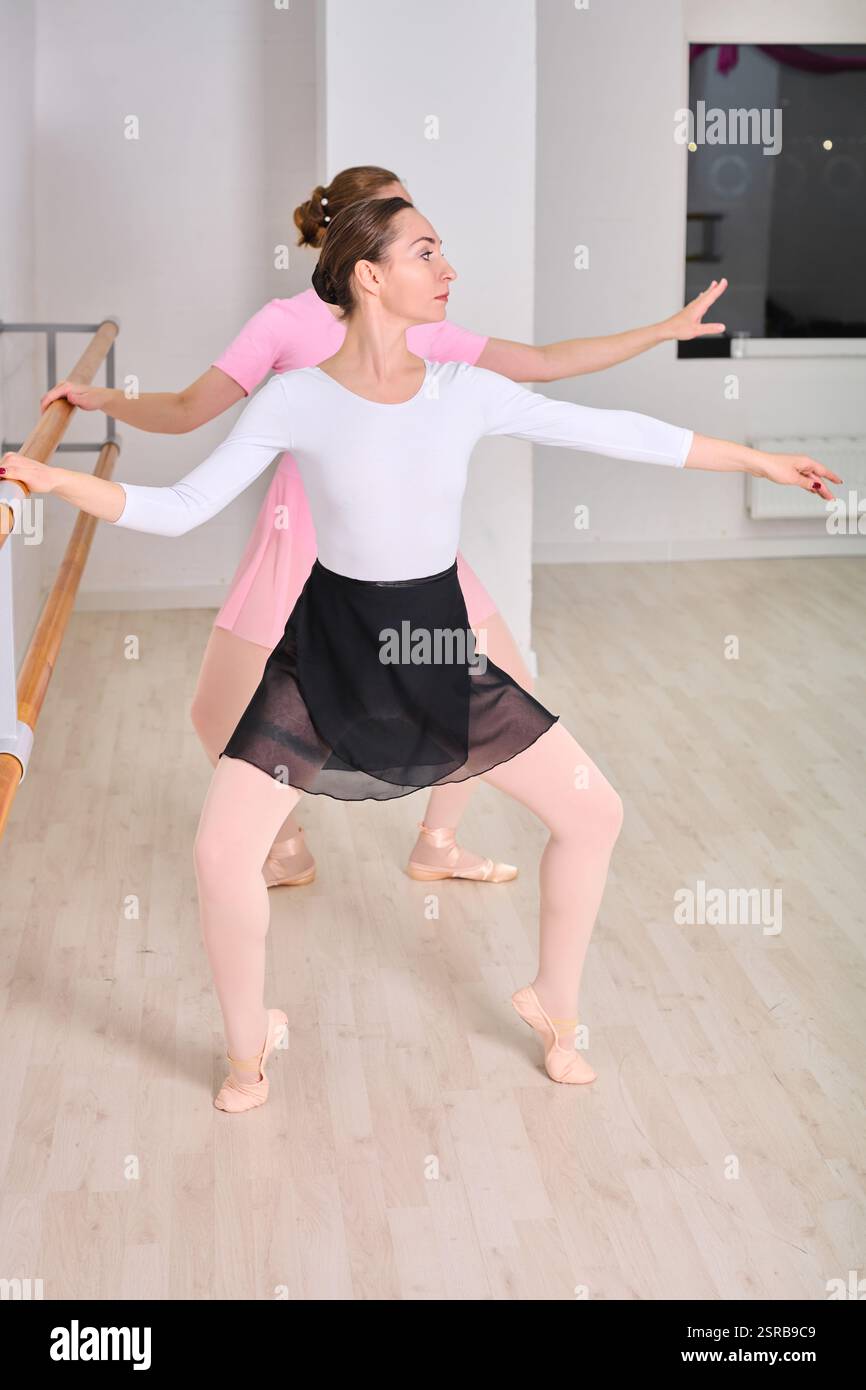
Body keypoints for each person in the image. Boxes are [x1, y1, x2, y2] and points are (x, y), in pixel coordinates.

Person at [4, 197, 837, 1113]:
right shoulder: (298, 398)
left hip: (437, 648)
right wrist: (54, 480)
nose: (448, 272)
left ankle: (554, 1010)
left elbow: (616, 431)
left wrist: (759, 461)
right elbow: (182, 507)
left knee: (595, 815)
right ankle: (249, 1050)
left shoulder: (463, 390)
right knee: (218, 855)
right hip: (323, 657)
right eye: (427, 253)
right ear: (368, 276)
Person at [39, 165, 731, 890]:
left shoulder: (421, 323)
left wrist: (665, 330)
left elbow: (541, 365)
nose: (433, 256)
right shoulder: (283, 323)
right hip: (302, 547)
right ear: (363, 248)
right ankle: (282, 846)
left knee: (498, 692)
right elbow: (186, 410)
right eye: (409, 227)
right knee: (218, 709)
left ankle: (436, 840)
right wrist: (103, 399)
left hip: (413, 553)